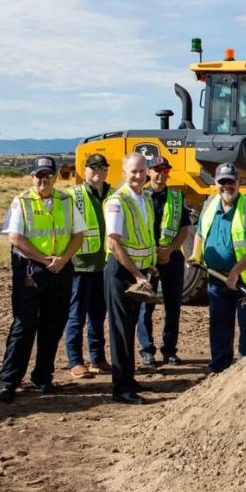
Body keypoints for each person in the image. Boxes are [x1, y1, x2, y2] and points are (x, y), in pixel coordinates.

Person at [0, 156, 85, 403]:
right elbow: (15, 238)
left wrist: (63, 259)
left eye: (48, 175)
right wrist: (45, 260)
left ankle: (43, 376)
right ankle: (9, 380)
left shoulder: (66, 201)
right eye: (39, 175)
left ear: (56, 177)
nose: (43, 180)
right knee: (23, 326)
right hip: (30, 271)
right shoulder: (21, 201)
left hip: (60, 269)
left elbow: (78, 234)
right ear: (31, 177)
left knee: (53, 325)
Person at [192, 163, 246, 373]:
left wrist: (235, 272)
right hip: (217, 278)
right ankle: (219, 369)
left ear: (238, 183)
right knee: (219, 326)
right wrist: (195, 254)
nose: (226, 186)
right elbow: (200, 232)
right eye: (222, 182)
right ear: (215, 184)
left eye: (230, 182)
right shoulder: (209, 205)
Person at [103, 153, 157, 404]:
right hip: (122, 273)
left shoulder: (144, 199)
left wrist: (150, 266)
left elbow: (145, 237)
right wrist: (136, 275)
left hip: (139, 271)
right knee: (121, 331)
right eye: (133, 171)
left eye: (142, 171)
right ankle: (121, 388)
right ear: (124, 172)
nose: (138, 176)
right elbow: (114, 243)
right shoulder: (117, 201)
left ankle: (129, 378)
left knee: (132, 324)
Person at [137, 155, 192, 367]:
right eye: (156, 169)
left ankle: (169, 350)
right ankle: (146, 351)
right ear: (148, 172)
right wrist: (155, 253)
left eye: (165, 170)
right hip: (147, 258)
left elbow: (185, 229)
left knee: (173, 306)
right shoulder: (139, 197)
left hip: (172, 258)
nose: (161, 174)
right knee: (145, 306)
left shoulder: (177, 198)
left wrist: (167, 251)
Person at [64, 153, 111, 379]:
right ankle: (75, 361)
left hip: (104, 265)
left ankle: (97, 359)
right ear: (85, 170)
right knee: (76, 315)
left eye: (102, 168)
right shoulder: (73, 195)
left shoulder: (112, 194)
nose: (98, 172)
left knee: (98, 316)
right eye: (93, 168)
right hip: (80, 265)